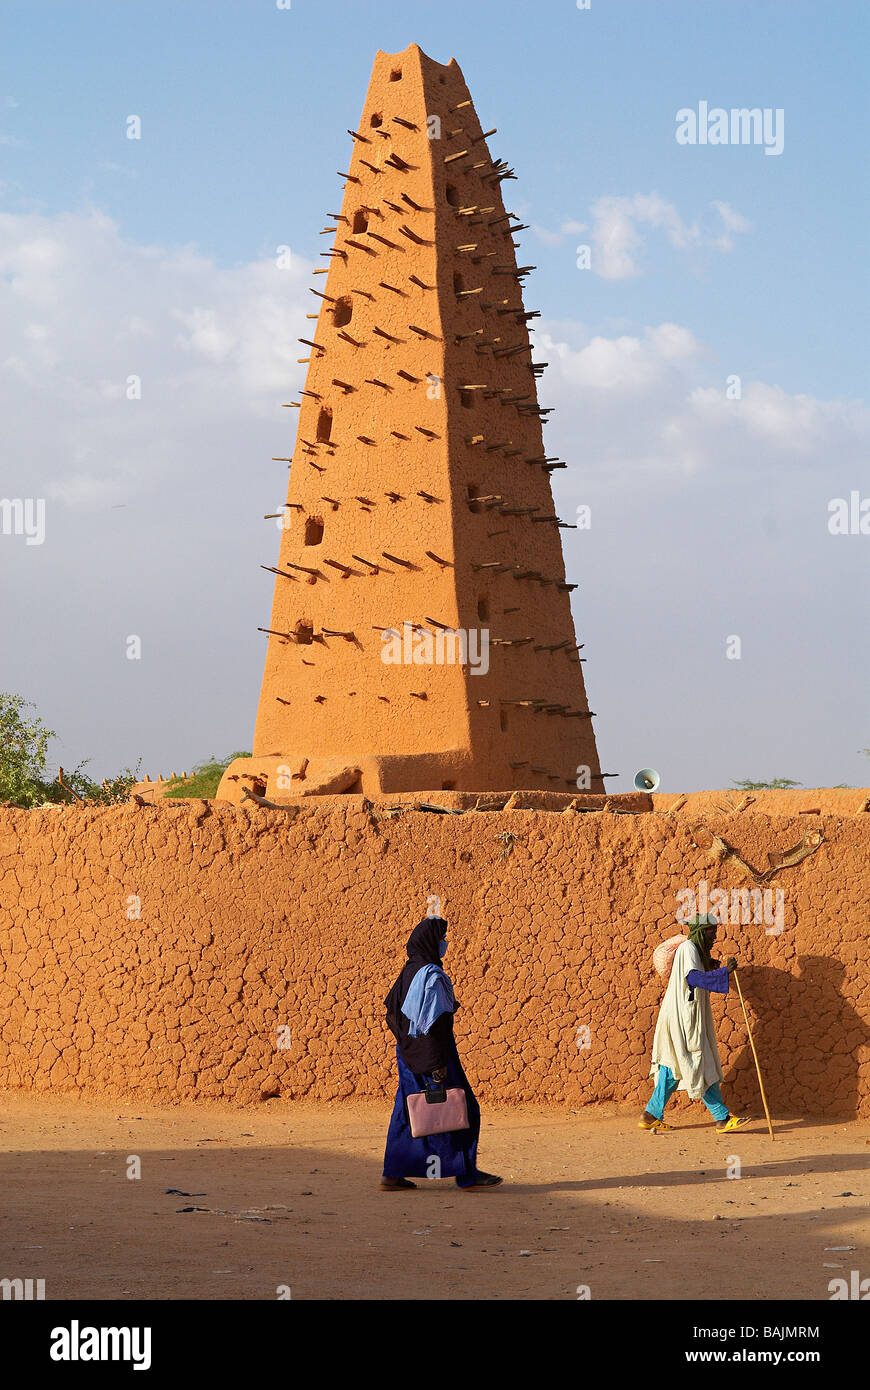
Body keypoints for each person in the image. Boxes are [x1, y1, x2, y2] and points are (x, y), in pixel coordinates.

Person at [381, 915, 502, 1191]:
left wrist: (408, 1048)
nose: (444, 944)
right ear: (431, 942)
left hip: (410, 1056)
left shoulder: (409, 972)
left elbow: (392, 1015)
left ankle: (391, 1174)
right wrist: (436, 1063)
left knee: (407, 1112)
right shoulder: (430, 976)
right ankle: (467, 1174)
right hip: (434, 1057)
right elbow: (432, 1027)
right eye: (441, 939)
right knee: (463, 1108)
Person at [640, 914, 752, 1134]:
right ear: (701, 931)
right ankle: (722, 1118)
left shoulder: (693, 951)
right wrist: (723, 973)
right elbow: (693, 979)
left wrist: (710, 966)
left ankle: (651, 1115)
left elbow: (694, 974)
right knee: (699, 1062)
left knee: (674, 1066)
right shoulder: (689, 948)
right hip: (683, 1018)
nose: (714, 937)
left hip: (680, 1016)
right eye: (711, 932)